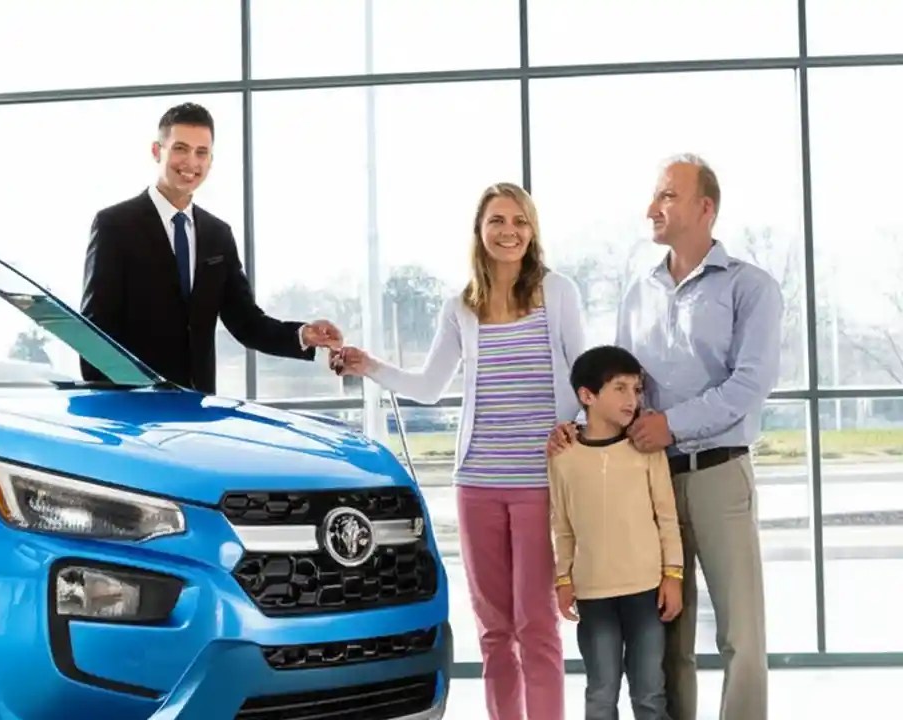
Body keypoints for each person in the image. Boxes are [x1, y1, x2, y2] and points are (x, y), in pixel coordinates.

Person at [333, 182, 587, 720]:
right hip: (477, 481)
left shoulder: (557, 292)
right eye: (497, 220)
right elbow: (429, 386)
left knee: (537, 624)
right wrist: (366, 365)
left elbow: (582, 371)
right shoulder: (462, 307)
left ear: (532, 229)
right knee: (494, 628)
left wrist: (577, 425)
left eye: (519, 221)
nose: (508, 231)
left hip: (541, 481)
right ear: (480, 230)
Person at [548, 154, 781, 720]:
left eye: (667, 197)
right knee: (669, 639)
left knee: (740, 636)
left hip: (719, 476)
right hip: (647, 481)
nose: (653, 208)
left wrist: (671, 424)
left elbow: (749, 384)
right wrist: (579, 429)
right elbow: (625, 388)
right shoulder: (638, 293)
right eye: (655, 196)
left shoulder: (751, 288)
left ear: (706, 208)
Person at [79, 102, 342, 394]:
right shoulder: (114, 226)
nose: (191, 162)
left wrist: (303, 334)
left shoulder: (218, 235)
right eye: (180, 148)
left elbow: (247, 322)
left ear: (210, 160)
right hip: (135, 413)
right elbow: (94, 333)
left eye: (201, 152)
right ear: (157, 151)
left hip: (199, 410)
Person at [549, 344, 683, 720]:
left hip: (646, 592)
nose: (632, 398)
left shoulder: (646, 450)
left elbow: (667, 518)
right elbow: (562, 524)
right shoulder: (563, 455)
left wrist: (673, 575)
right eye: (620, 388)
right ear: (587, 396)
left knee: (649, 694)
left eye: (637, 389)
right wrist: (563, 579)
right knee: (601, 693)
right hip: (593, 595)